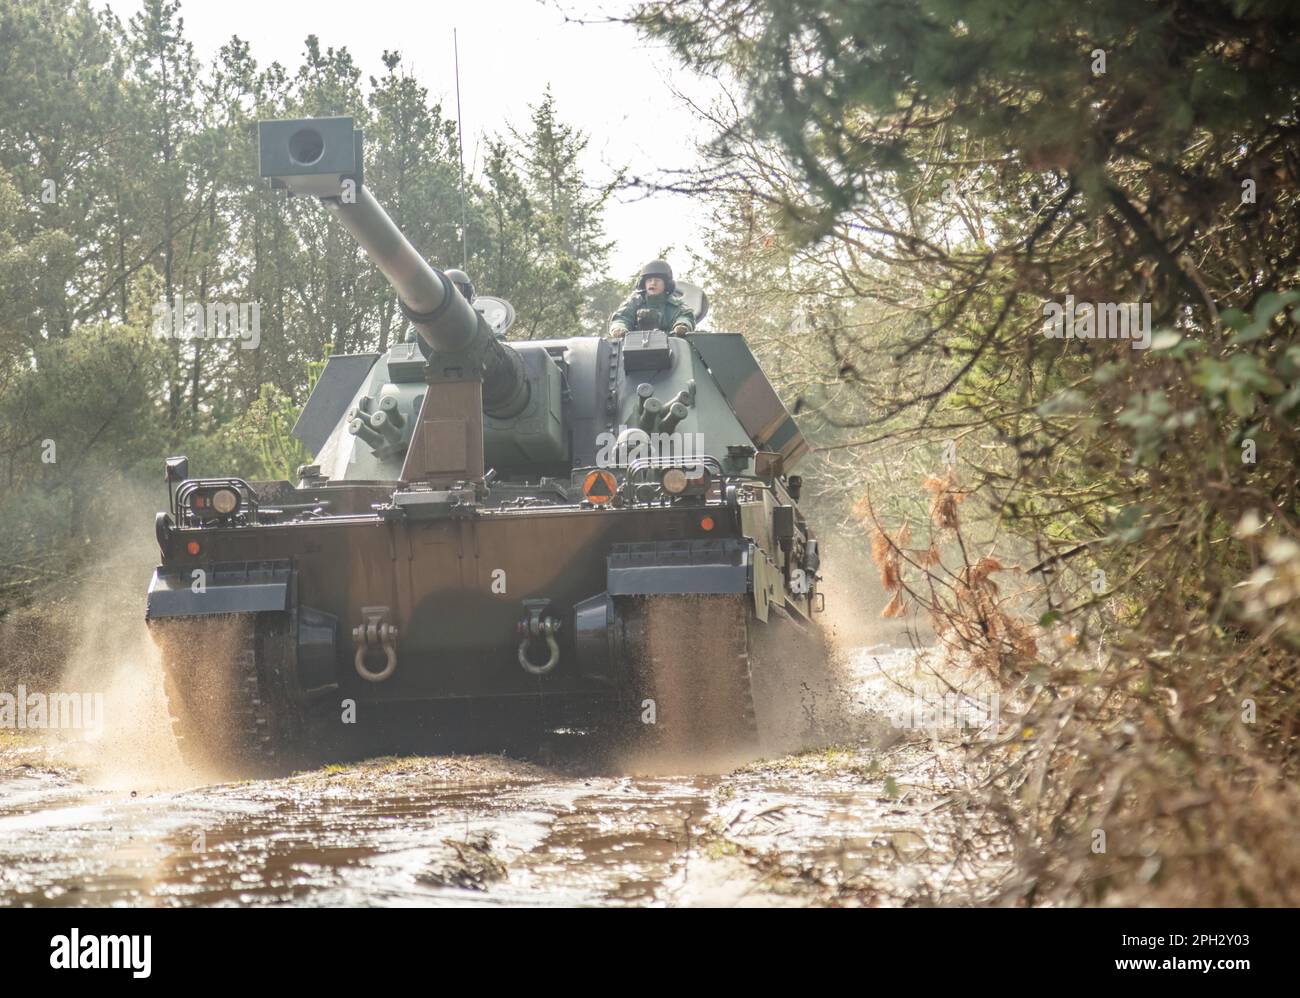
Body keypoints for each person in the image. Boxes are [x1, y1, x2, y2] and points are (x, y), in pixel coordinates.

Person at [608, 259, 695, 338]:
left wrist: (682, 326)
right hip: (634, 348)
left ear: (666, 284)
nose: (653, 283)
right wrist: (619, 328)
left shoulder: (675, 305)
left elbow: (685, 316)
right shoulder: (635, 302)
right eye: (649, 280)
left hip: (670, 348)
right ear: (644, 284)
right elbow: (622, 317)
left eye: (657, 280)